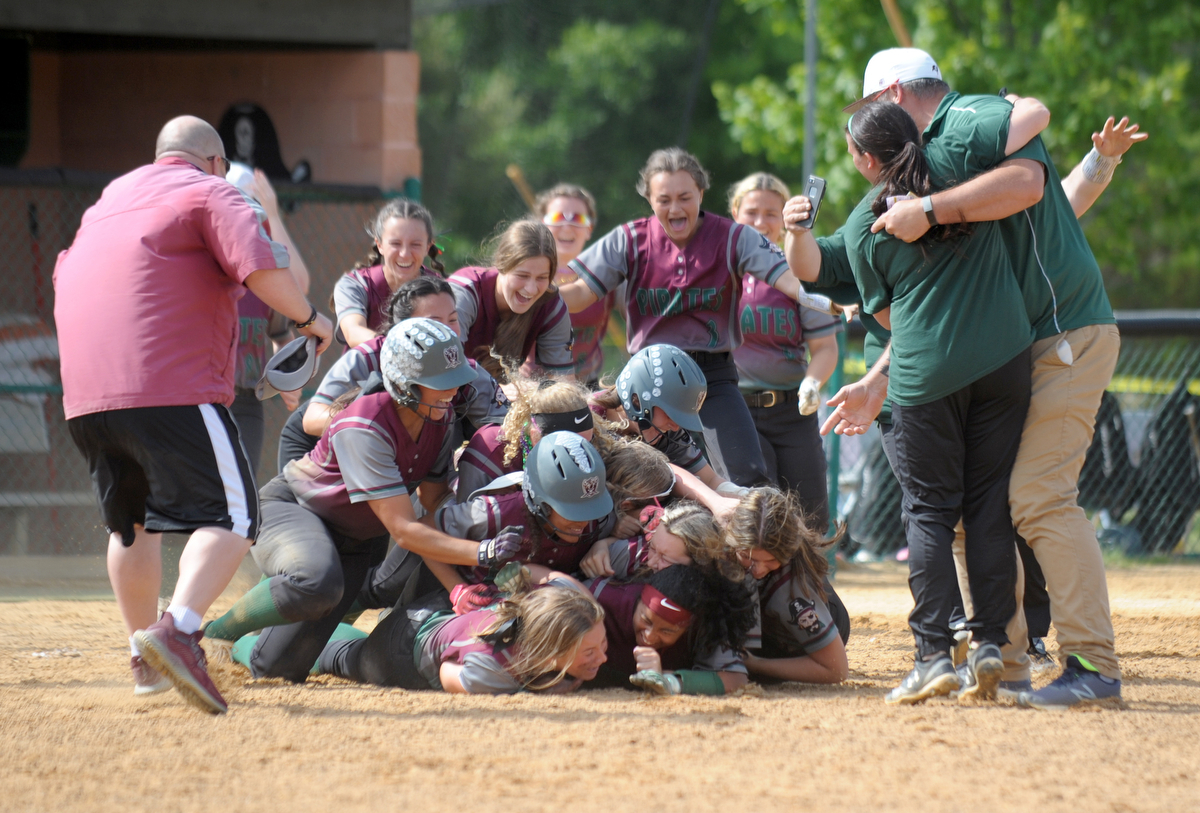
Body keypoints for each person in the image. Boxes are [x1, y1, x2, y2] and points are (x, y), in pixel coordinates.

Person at [788, 47, 1146, 709]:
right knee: (980, 509)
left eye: (868, 108)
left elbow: (1032, 156)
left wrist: (928, 212)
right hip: (1018, 343)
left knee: (1036, 497)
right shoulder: (926, 165)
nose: (864, 127)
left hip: (1061, 332)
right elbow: (931, 296)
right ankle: (1000, 657)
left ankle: (1093, 664)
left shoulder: (963, 121)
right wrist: (878, 378)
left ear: (894, 93)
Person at [53, 115, 333, 714]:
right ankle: (177, 631)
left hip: (86, 394)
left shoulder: (107, 202)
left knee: (130, 525)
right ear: (212, 161)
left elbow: (63, 272)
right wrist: (311, 321)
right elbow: (261, 269)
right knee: (236, 514)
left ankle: (143, 660)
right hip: (169, 385)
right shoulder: (211, 190)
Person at [827, 100, 1038, 704]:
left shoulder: (866, 223)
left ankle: (932, 655)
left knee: (929, 513)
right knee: (989, 506)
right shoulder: (966, 181)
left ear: (868, 160)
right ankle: (993, 642)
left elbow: (891, 317)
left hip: (927, 377)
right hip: (1005, 360)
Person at [202, 319, 519, 683]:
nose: (453, 389)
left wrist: (457, 586)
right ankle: (215, 633)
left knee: (275, 668)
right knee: (316, 579)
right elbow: (403, 529)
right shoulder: (364, 425)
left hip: (352, 540)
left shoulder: (438, 418)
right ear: (403, 382)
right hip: (292, 510)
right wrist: (482, 552)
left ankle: (260, 633)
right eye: (440, 382)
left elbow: (434, 513)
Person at [557, 147, 816, 487]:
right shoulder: (630, 239)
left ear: (701, 194)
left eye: (685, 197)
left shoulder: (732, 236)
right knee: (640, 482)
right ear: (649, 200)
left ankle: (746, 537)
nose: (675, 209)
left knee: (747, 478)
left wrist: (821, 297)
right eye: (663, 199)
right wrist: (537, 289)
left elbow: (787, 280)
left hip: (712, 375)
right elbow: (579, 294)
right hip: (647, 376)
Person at [277, 276, 507, 470]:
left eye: (453, 319)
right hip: (313, 449)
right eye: (433, 322)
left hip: (381, 459)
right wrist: (378, 419)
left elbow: (510, 426)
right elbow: (311, 421)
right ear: (402, 327)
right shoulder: (368, 357)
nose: (447, 329)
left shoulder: (462, 369)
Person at [728, 173, 842, 529]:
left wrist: (812, 383)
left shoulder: (799, 272)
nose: (761, 222)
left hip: (793, 411)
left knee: (810, 517)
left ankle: (808, 586)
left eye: (771, 213)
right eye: (751, 212)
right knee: (758, 517)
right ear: (734, 215)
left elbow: (824, 348)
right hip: (735, 412)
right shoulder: (717, 271)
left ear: (784, 219)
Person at [317, 580, 607, 694]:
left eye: (602, 646)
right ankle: (310, 637)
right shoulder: (494, 670)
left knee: (357, 645)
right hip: (402, 651)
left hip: (438, 613)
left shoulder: (541, 612)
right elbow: (446, 673)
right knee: (344, 658)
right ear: (550, 651)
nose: (603, 658)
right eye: (590, 652)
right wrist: (538, 690)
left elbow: (560, 583)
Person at [225, 162, 312, 476]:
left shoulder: (263, 276)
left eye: (255, 213)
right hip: (204, 397)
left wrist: (287, 371)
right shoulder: (208, 268)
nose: (250, 221)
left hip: (246, 399)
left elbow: (295, 293)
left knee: (241, 493)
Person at [725, 488, 849, 684]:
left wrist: (755, 664)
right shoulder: (724, 545)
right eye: (748, 557)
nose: (758, 570)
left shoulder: (791, 592)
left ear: (788, 551)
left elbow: (836, 669)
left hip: (807, 635)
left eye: (771, 560)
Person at [587, 563, 756, 696]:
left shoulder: (705, 629)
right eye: (645, 620)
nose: (649, 636)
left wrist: (669, 681)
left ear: (690, 628)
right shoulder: (597, 599)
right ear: (638, 600)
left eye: (667, 631)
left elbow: (736, 680)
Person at [450, 219, 575, 383]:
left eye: (542, 278)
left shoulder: (551, 305)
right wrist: (496, 392)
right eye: (522, 276)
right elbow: (444, 370)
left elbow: (564, 385)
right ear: (501, 264)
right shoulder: (464, 293)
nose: (531, 289)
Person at [456, 378, 595, 502]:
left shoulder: (597, 447)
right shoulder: (490, 450)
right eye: (569, 449)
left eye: (587, 444)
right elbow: (462, 520)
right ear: (535, 437)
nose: (581, 455)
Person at [535, 184, 619, 387]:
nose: (567, 227)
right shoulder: (525, 275)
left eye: (578, 219)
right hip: (532, 386)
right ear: (542, 224)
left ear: (589, 229)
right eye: (557, 218)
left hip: (586, 387)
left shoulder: (606, 274)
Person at [333, 199, 443, 348]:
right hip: (366, 371)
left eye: (415, 244)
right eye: (395, 244)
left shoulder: (439, 290)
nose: (404, 254)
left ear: (428, 247)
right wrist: (402, 346)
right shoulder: (356, 284)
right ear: (379, 245)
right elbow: (353, 332)